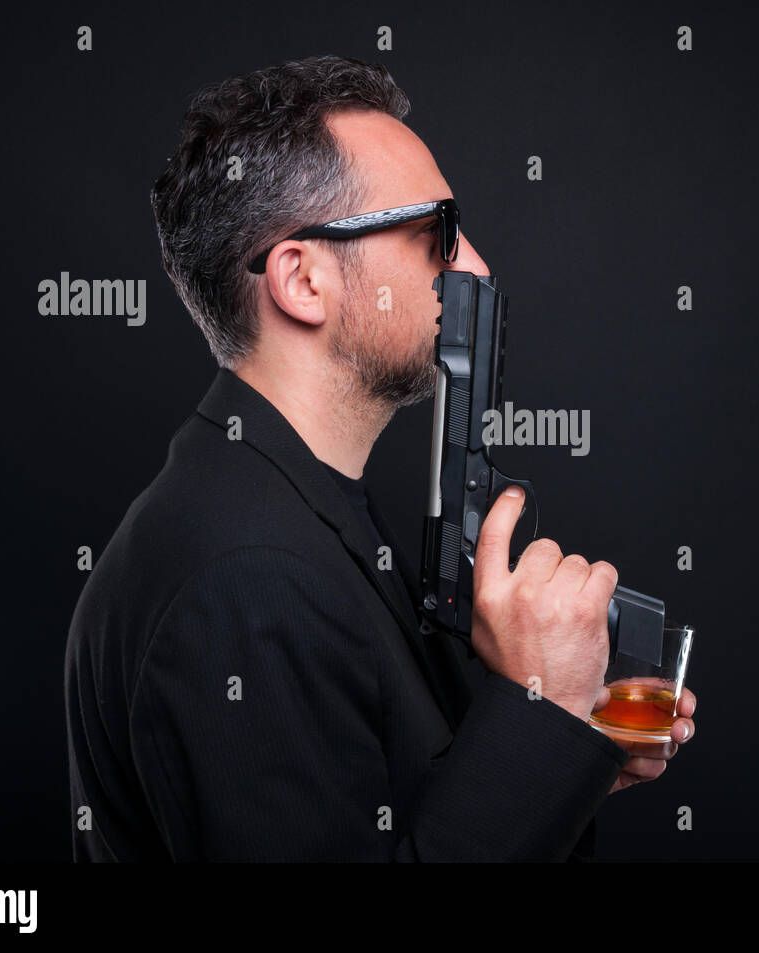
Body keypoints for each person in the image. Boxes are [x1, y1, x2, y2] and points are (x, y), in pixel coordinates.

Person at [64, 54, 696, 862]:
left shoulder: (311, 513)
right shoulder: (244, 576)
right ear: (302, 280)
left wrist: (564, 750)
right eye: (437, 235)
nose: (475, 267)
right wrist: (543, 717)